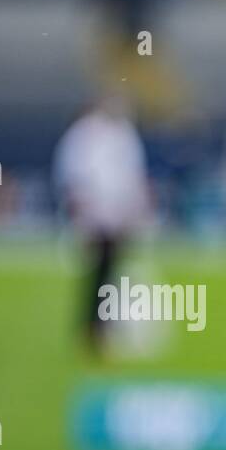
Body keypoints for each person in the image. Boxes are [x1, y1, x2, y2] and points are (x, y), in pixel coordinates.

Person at [51, 93, 151, 355]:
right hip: (97, 214)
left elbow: (131, 174)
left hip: (116, 214)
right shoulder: (86, 134)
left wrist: (132, 210)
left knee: (110, 273)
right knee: (99, 273)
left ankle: (101, 326)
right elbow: (77, 173)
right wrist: (84, 211)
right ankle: (94, 329)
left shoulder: (122, 133)